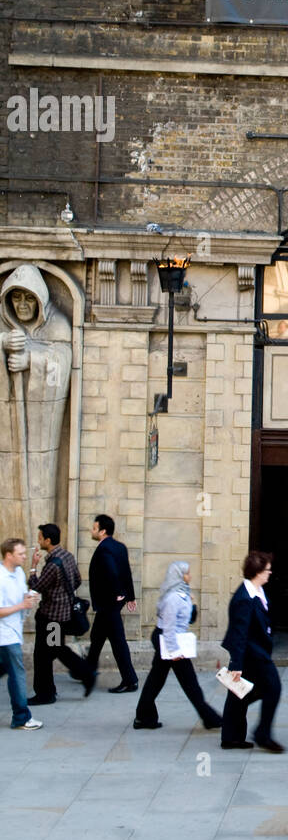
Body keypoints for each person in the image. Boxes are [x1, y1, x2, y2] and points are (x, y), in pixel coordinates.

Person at [0, 264, 73, 537]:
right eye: (16, 297)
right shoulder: (3, 326)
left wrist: (30, 358)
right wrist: (4, 344)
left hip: (42, 432)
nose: (22, 304)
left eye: (29, 298)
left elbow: (63, 362)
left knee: (39, 481)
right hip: (5, 429)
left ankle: (33, 542)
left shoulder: (58, 325)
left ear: (40, 300)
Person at [134, 560, 222, 731]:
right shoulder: (173, 597)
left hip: (172, 639)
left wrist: (193, 603)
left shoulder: (183, 593)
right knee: (189, 682)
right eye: (187, 573)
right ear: (179, 576)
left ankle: (143, 717)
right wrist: (173, 650)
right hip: (169, 640)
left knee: (157, 680)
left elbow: (189, 619)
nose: (190, 576)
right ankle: (209, 717)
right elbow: (168, 626)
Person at [220, 551, 284, 753]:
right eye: (267, 570)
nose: (270, 573)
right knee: (272, 688)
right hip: (252, 653)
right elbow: (239, 634)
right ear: (257, 572)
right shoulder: (244, 599)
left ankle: (231, 737)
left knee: (239, 693)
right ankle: (262, 734)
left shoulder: (256, 591)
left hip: (257, 650)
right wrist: (236, 664)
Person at [27, 523, 94, 704]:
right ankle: (50, 690)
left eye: (40, 538)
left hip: (51, 618)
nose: (38, 540)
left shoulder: (52, 565)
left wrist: (33, 566)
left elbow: (36, 587)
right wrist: (61, 594)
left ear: (48, 540)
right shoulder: (68, 556)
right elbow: (77, 580)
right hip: (62, 615)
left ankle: (47, 693)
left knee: (44, 654)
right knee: (53, 651)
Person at [84, 514, 138, 693]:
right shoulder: (119, 547)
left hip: (109, 603)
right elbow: (126, 571)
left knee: (118, 642)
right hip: (113, 603)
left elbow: (112, 571)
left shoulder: (104, 550)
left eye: (94, 528)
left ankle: (130, 680)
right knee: (97, 638)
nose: (91, 531)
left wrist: (117, 593)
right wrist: (130, 597)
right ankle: (87, 671)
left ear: (102, 531)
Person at [0, 537, 41, 729]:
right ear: (9, 555)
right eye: (21, 554)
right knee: (17, 674)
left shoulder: (18, 574)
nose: (24, 557)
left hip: (14, 631)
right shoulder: (0, 577)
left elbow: (21, 600)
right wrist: (21, 605)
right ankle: (21, 717)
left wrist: (28, 599)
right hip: (4, 635)